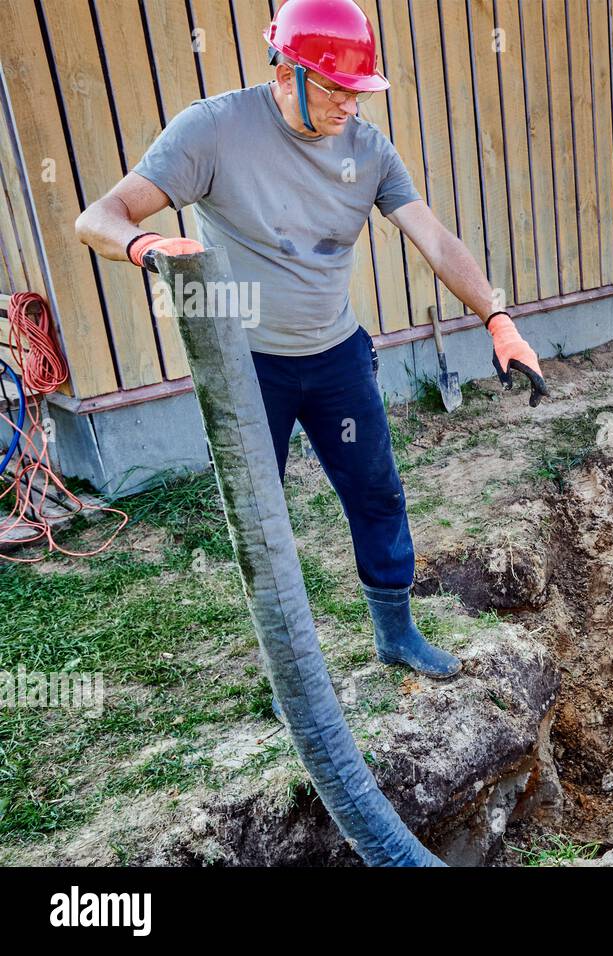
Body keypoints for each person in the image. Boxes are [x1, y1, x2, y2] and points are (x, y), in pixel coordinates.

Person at [75, 0, 547, 693]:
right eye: (335, 89)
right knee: (260, 521)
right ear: (285, 70)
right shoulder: (214, 130)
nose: (348, 107)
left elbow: (437, 241)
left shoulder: (369, 150)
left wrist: (499, 321)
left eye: (359, 92)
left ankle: (395, 634)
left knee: (377, 494)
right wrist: (146, 245)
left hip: (336, 358)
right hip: (246, 367)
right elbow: (98, 217)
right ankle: (289, 675)